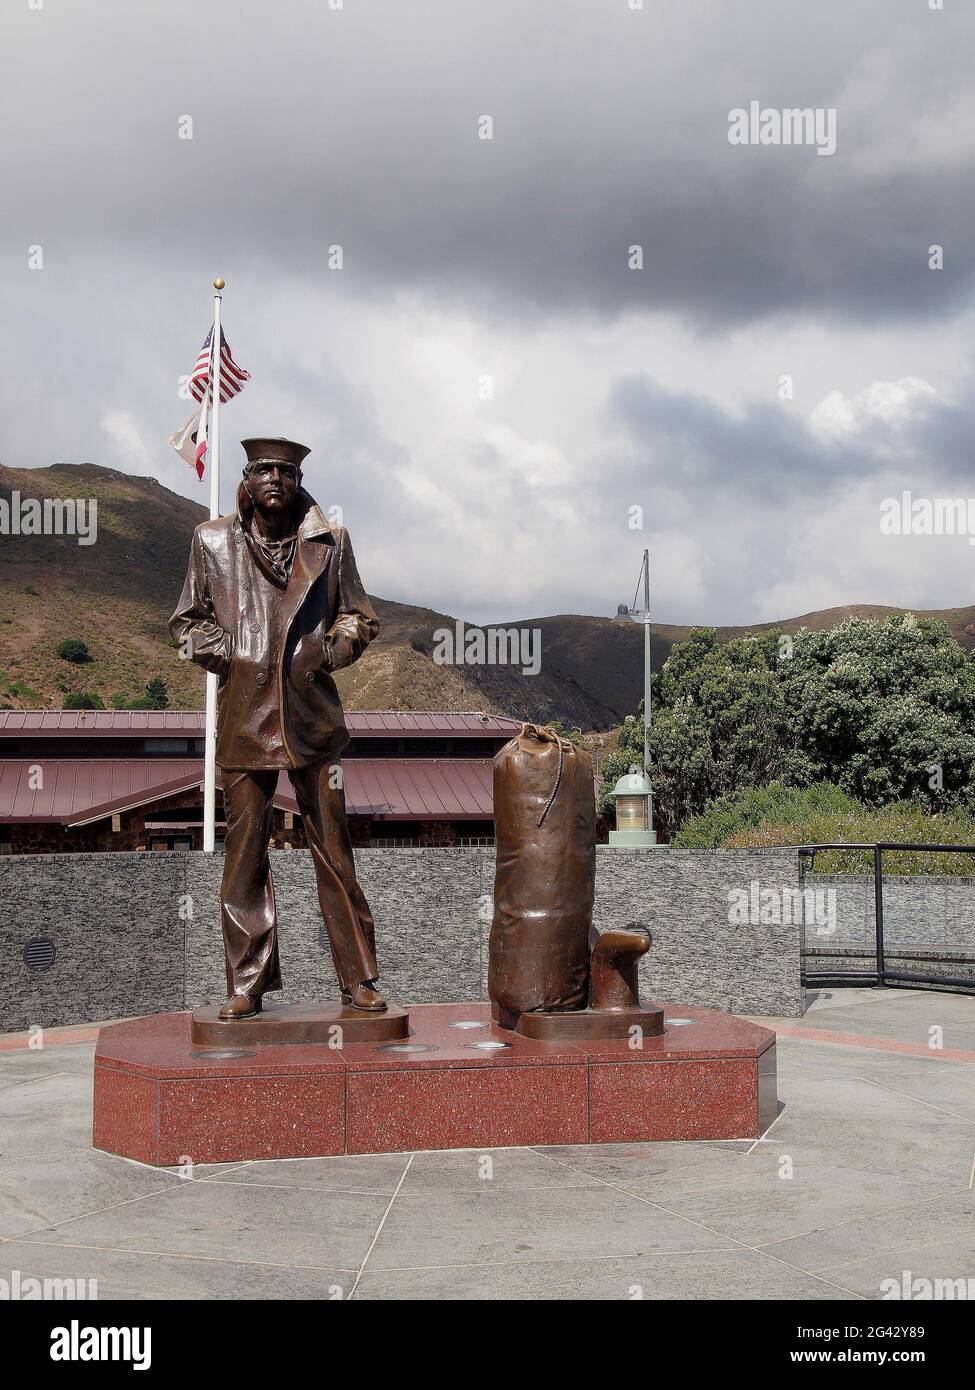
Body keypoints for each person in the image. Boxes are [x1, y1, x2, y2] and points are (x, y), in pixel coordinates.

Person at [170, 436, 385, 1019]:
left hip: (312, 716)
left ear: (297, 480)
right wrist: (233, 655)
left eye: (285, 472)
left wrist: (332, 648)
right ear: (247, 476)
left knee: (335, 850)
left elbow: (359, 615)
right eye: (264, 470)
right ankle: (247, 982)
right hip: (245, 717)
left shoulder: (329, 541)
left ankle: (360, 977)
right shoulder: (211, 541)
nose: (275, 480)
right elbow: (187, 623)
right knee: (243, 854)